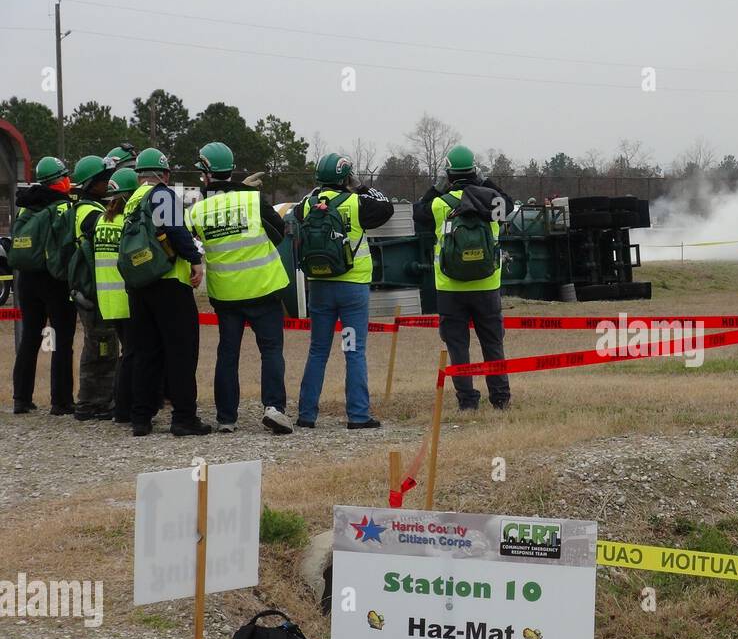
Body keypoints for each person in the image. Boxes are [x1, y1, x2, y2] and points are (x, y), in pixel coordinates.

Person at [185, 142, 292, 434]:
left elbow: (184, 242)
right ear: (231, 169)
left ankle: (226, 418)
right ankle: (274, 408)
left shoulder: (197, 210)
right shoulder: (252, 200)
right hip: (264, 288)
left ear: (206, 174)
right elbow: (279, 233)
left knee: (227, 354)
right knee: (270, 350)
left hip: (227, 295)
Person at [294, 153, 393, 430]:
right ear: (346, 176)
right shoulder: (358, 202)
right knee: (354, 350)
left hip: (320, 286)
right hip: (353, 288)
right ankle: (358, 415)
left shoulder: (307, 205)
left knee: (318, 350)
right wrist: (360, 186)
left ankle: (306, 414)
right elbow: (385, 207)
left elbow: (297, 212)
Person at [413, 144, 512, 411]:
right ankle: (500, 398)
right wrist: (484, 180)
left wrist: (436, 186)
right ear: (474, 171)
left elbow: (418, 212)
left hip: (449, 287)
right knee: (492, 342)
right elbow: (509, 204)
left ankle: (467, 401)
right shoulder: (493, 200)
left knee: (458, 346)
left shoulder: (438, 204)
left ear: (449, 174)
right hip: (487, 284)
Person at [122, 147, 210, 437]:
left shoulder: (131, 201)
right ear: (165, 174)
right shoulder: (162, 194)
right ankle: (184, 417)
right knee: (181, 351)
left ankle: (141, 418)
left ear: (138, 176)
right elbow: (176, 229)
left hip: (139, 285)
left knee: (147, 352)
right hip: (169, 282)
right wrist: (195, 261)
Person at [11, 156, 77, 415]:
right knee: (61, 339)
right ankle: (61, 401)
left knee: (30, 337)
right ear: (59, 180)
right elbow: (67, 243)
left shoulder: (25, 206)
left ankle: (21, 398)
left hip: (26, 278)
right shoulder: (62, 207)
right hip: (54, 278)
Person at [68, 155, 117, 421]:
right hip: (91, 290)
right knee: (100, 345)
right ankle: (90, 402)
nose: (108, 184)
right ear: (91, 184)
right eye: (103, 181)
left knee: (101, 344)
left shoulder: (87, 207)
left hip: (88, 288)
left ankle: (97, 401)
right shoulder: (89, 212)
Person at [95, 168, 137, 424]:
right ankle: (124, 409)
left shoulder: (103, 221)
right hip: (125, 296)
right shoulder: (126, 222)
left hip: (107, 300)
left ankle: (119, 406)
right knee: (132, 354)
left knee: (126, 352)